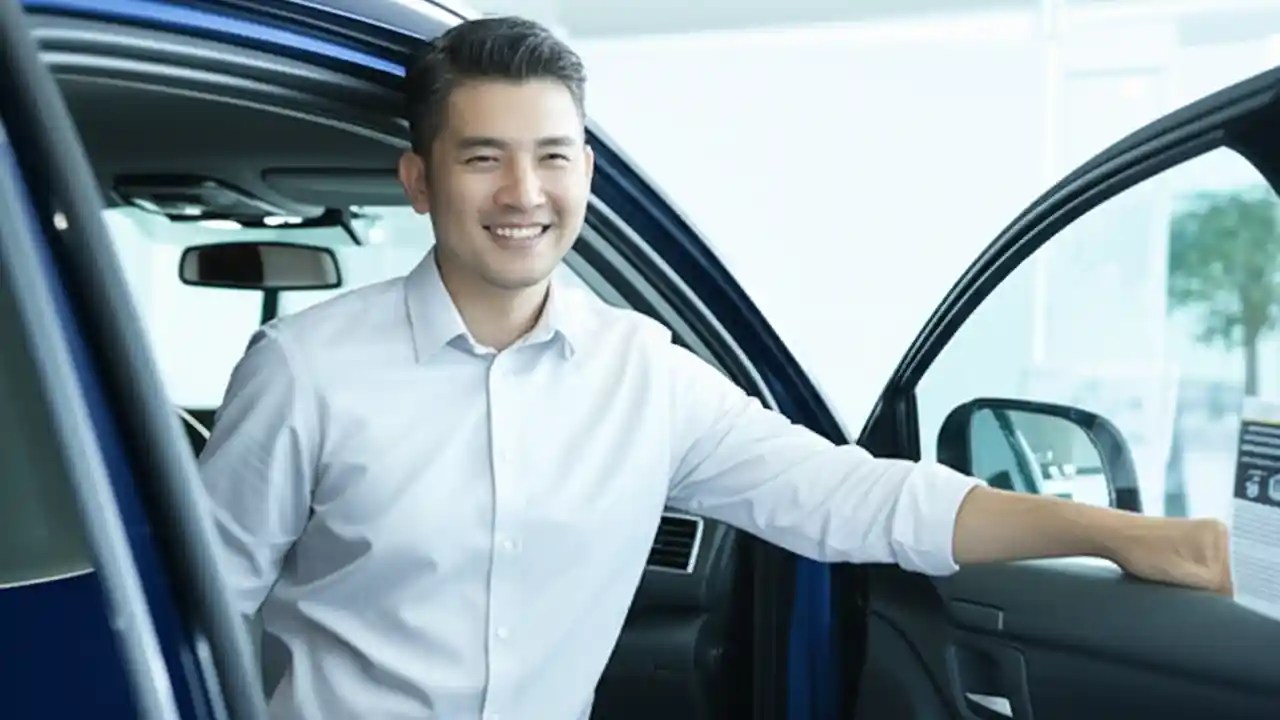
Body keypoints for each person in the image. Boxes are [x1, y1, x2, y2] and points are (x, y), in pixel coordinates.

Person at [197, 15, 1232, 720]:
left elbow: (855, 499)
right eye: (482, 158)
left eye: (551, 155)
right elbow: (198, 610)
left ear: (584, 173)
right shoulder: (306, 370)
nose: (523, 192)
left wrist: (1119, 533)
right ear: (419, 181)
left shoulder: (643, 374)